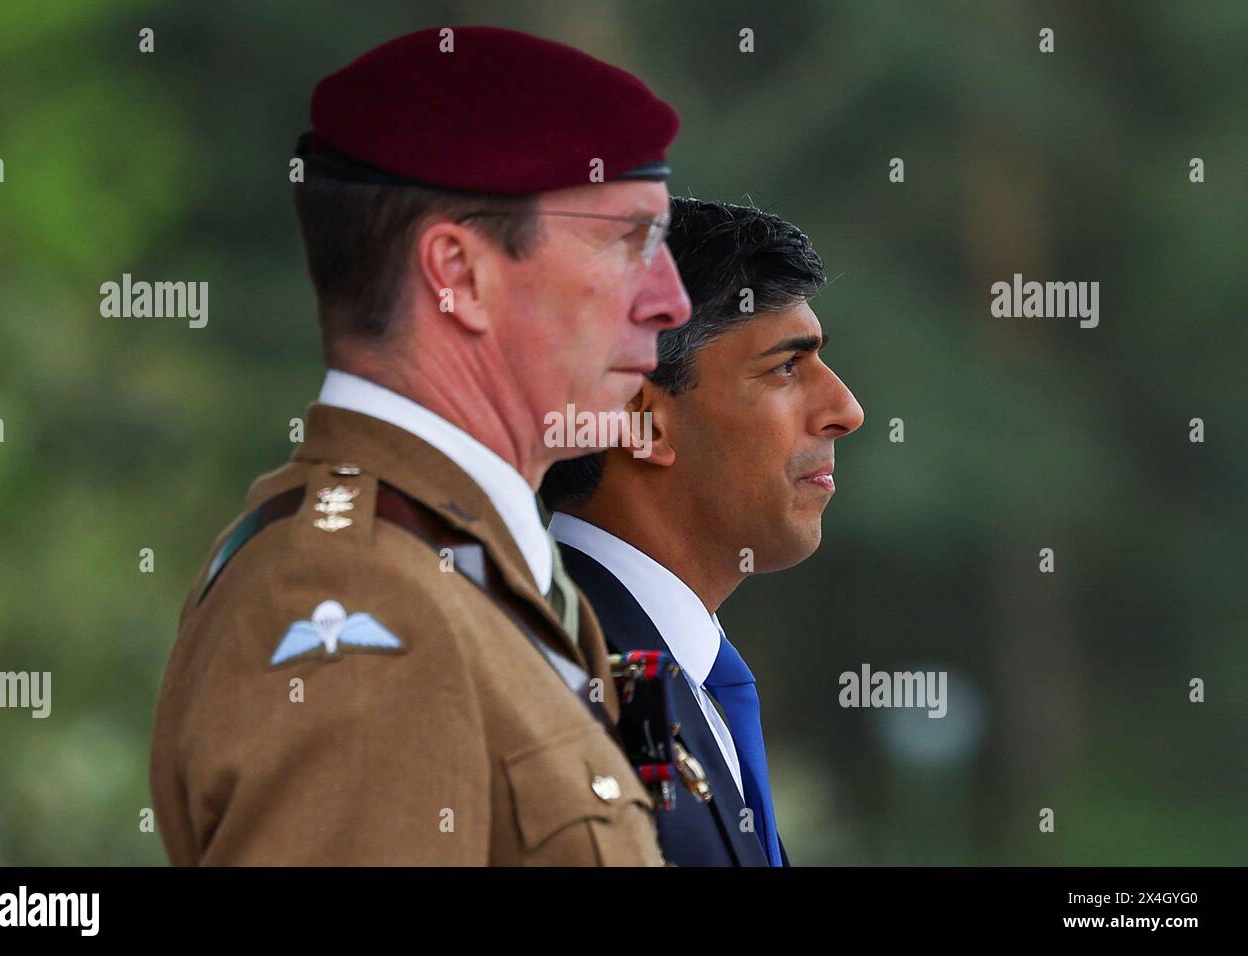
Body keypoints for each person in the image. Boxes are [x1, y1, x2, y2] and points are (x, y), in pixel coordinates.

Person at [149, 25, 691, 865]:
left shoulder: (467, 566)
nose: (672, 300)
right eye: (630, 240)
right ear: (459, 274)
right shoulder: (357, 604)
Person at [541, 197, 865, 866]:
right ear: (643, 421)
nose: (845, 410)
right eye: (784, 367)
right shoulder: (547, 681)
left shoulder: (662, 669)